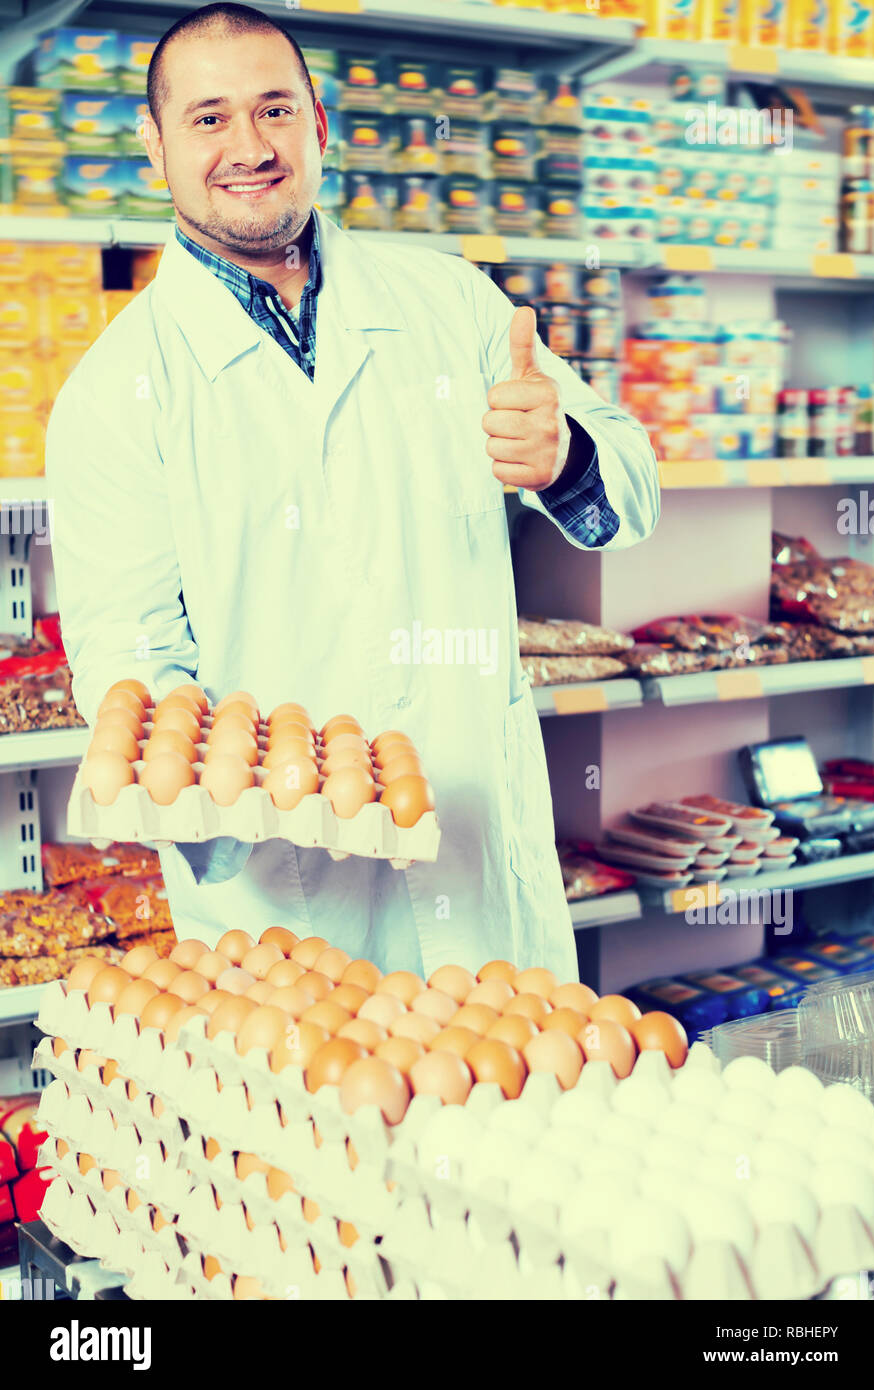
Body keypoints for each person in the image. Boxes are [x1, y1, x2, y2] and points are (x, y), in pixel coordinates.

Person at [46, 3, 659, 979]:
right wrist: (271, 793)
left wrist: (565, 459)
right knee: (321, 1125)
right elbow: (132, 669)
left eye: (274, 109)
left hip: (482, 878)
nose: (249, 145)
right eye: (209, 118)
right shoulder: (113, 396)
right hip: (287, 907)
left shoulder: (454, 305)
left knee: (514, 1117)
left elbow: (632, 488)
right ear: (154, 146)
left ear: (320, 124)